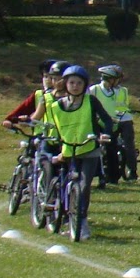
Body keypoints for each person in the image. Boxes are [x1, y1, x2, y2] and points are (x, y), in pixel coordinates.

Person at [44, 65, 114, 241]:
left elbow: (106, 120)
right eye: (71, 82)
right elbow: (57, 129)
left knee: (83, 185)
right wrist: (58, 148)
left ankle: (81, 221)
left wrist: (105, 134)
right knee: (65, 182)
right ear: (65, 84)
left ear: (85, 85)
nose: (75, 86)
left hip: (89, 148)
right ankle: (61, 213)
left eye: (79, 83)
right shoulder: (56, 106)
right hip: (68, 150)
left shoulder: (91, 102)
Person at [90, 64, 138, 182]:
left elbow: (123, 106)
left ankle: (131, 171)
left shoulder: (121, 91)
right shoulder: (94, 90)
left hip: (122, 119)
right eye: (116, 79)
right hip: (105, 121)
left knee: (128, 145)